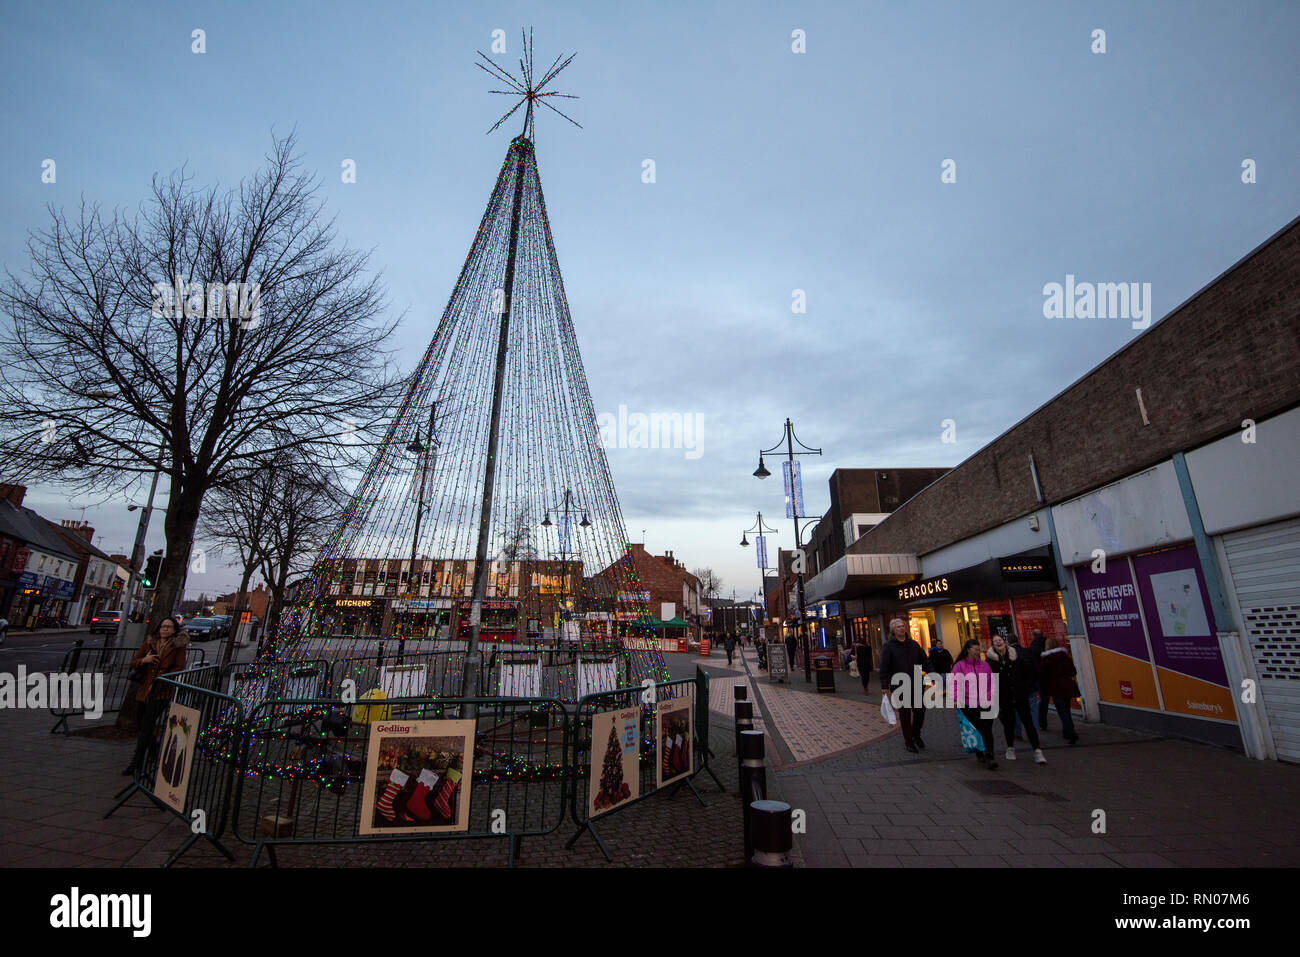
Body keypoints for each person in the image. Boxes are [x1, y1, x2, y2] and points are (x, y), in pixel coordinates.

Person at [124, 616, 190, 777]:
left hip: (161, 691)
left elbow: (179, 667)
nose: (165, 629)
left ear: (175, 630)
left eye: (169, 627)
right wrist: (144, 660)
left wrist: (164, 677)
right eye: (163, 626)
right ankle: (153, 750)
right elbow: (134, 661)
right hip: (145, 689)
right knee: (141, 723)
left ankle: (136, 762)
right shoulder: (150, 643)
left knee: (147, 725)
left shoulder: (178, 646)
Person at [986, 633, 1047, 764]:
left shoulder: (1016, 656)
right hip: (1004, 697)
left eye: (1000, 640)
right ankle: (1010, 748)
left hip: (1020, 695)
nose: (998, 642)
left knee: (1028, 722)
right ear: (992, 645)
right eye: (995, 641)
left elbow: (1029, 673)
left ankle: (1037, 750)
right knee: (1008, 724)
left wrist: (1027, 688)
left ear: (1005, 642)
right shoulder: (990, 661)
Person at [878, 618, 928, 753]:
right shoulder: (889, 646)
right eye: (898, 627)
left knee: (920, 712)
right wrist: (884, 685)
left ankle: (916, 734)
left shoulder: (913, 644)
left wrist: (933, 673)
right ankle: (909, 741)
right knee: (905, 715)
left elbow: (924, 660)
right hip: (899, 685)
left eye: (902, 626)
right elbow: (884, 667)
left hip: (917, 682)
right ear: (893, 630)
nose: (901, 628)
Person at [951, 638, 997, 768]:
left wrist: (991, 696)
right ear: (968, 650)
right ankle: (979, 752)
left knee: (987, 729)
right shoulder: (959, 666)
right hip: (968, 703)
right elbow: (955, 683)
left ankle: (990, 755)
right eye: (976, 649)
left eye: (979, 649)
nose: (978, 652)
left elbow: (992, 682)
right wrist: (956, 699)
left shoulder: (984, 665)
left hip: (985, 702)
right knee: (976, 729)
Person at [1039, 637, 1080, 744]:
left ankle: (1070, 732)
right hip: (1067, 685)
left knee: (1062, 711)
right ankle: (1067, 730)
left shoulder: (1046, 660)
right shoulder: (1064, 657)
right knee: (1066, 709)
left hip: (1055, 687)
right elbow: (1072, 671)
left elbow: (1043, 676)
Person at [1024, 628, 1049, 730]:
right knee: (1047, 700)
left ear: (1033, 636)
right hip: (1050, 677)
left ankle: (1040, 723)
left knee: (1039, 701)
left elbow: (1032, 665)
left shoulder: (1033, 648)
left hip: (1038, 678)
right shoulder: (1048, 645)